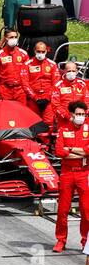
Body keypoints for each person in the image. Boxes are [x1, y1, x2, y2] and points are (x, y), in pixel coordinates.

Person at [53, 101, 89, 254]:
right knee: (62, 210)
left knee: (86, 210)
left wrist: (71, 150)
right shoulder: (63, 129)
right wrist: (81, 153)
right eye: (78, 114)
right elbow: (59, 152)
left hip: (84, 173)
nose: (81, 117)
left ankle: (85, 241)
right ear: (72, 114)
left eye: (84, 114)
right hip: (67, 173)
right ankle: (61, 240)